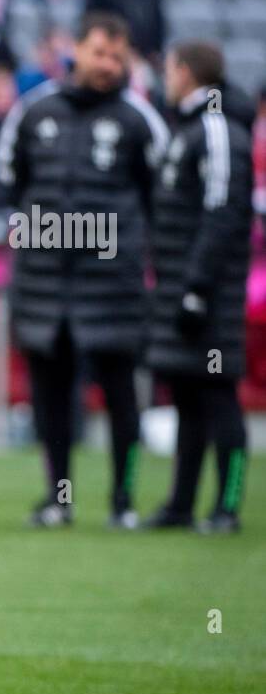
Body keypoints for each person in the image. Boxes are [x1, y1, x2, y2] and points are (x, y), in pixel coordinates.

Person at [0, 12, 169, 528]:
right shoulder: (35, 110)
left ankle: (123, 501)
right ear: (77, 49)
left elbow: (158, 196)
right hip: (45, 280)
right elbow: (11, 179)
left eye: (118, 57)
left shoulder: (140, 120)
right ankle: (58, 498)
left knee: (120, 394)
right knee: (51, 394)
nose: (108, 65)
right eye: (100, 52)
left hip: (113, 285)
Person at [144, 42, 255, 533]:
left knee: (218, 392)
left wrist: (196, 287)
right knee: (187, 392)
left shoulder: (214, 128)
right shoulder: (187, 128)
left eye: (169, 69)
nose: (165, 78)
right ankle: (181, 504)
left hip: (209, 290)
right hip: (180, 285)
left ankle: (227, 507)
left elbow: (224, 213)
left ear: (186, 73)